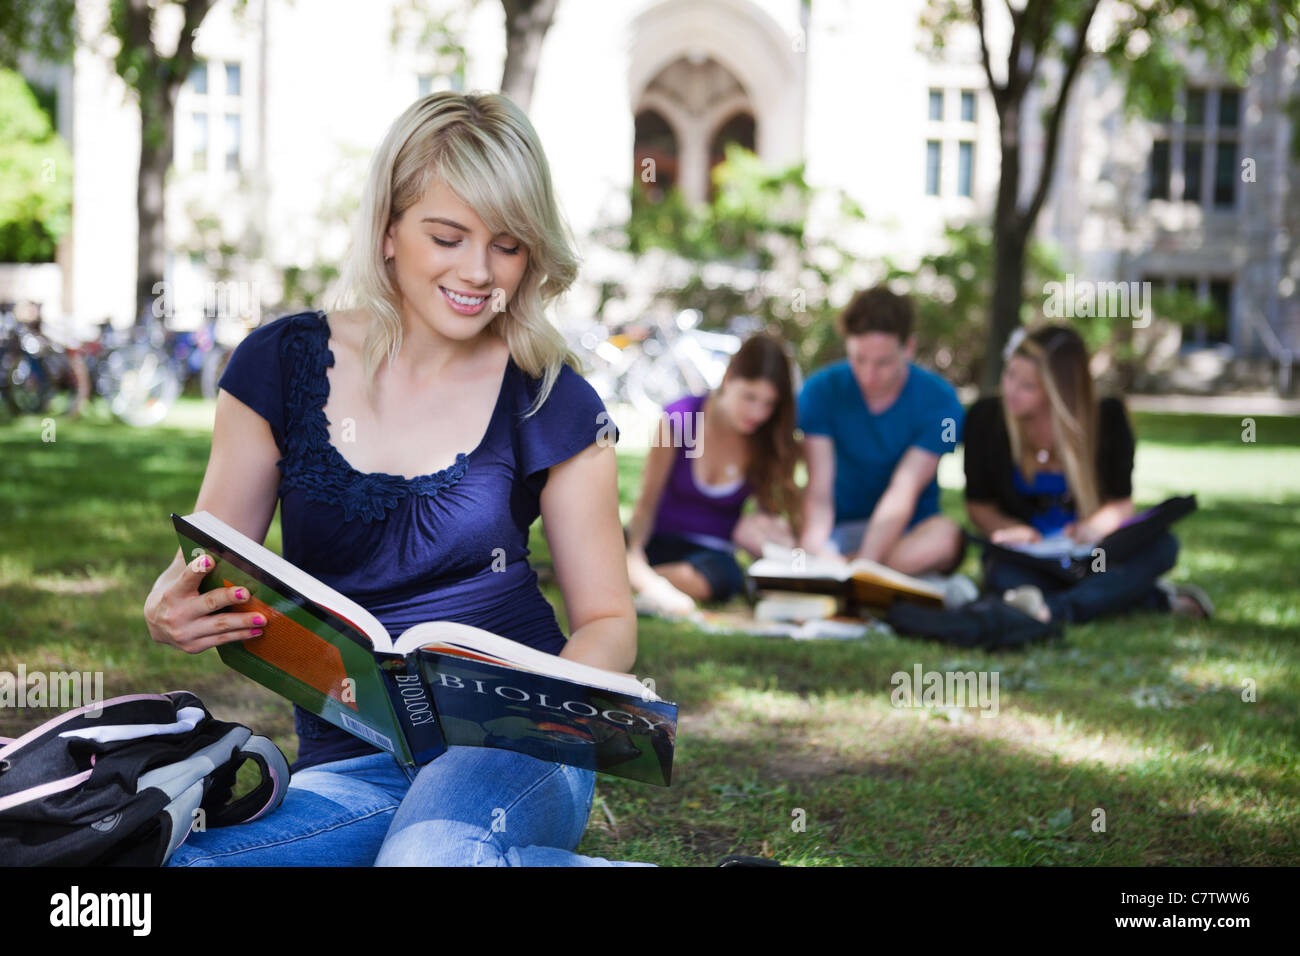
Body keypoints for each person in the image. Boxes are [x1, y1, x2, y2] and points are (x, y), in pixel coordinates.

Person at [142, 91, 648, 866]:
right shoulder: (278, 365)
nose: (478, 272)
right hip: (351, 764)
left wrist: (540, 713)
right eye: (447, 236)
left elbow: (609, 621)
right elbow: (212, 563)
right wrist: (168, 607)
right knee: (180, 867)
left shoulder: (549, 395)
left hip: (512, 752)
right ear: (387, 230)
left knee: (426, 859)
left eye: (508, 246)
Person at [964, 324, 1211, 624]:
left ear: (1060, 391)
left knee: (1163, 546)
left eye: (1027, 385)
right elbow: (979, 505)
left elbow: (1121, 504)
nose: (1010, 390)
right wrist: (1009, 528)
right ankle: (1143, 598)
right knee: (1001, 573)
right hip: (1030, 560)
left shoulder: (1108, 420)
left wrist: (1094, 527)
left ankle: (1053, 610)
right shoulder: (986, 419)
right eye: (1009, 375)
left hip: (1093, 557)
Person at [625, 334, 802, 617]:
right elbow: (646, 505)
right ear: (729, 378)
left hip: (710, 560)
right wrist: (634, 553)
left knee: (720, 578)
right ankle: (636, 578)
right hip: (659, 541)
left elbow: (765, 517)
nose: (758, 412)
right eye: (750, 397)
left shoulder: (764, 440)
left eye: (769, 403)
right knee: (613, 541)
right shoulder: (681, 418)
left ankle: (629, 582)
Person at [796, 285, 965, 576]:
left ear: (908, 348)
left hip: (906, 532)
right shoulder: (818, 391)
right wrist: (813, 549)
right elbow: (819, 490)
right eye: (859, 359)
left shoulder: (943, 403)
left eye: (883, 363)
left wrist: (865, 565)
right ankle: (854, 573)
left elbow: (904, 489)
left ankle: (856, 574)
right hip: (838, 529)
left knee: (947, 537)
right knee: (768, 531)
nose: (869, 374)